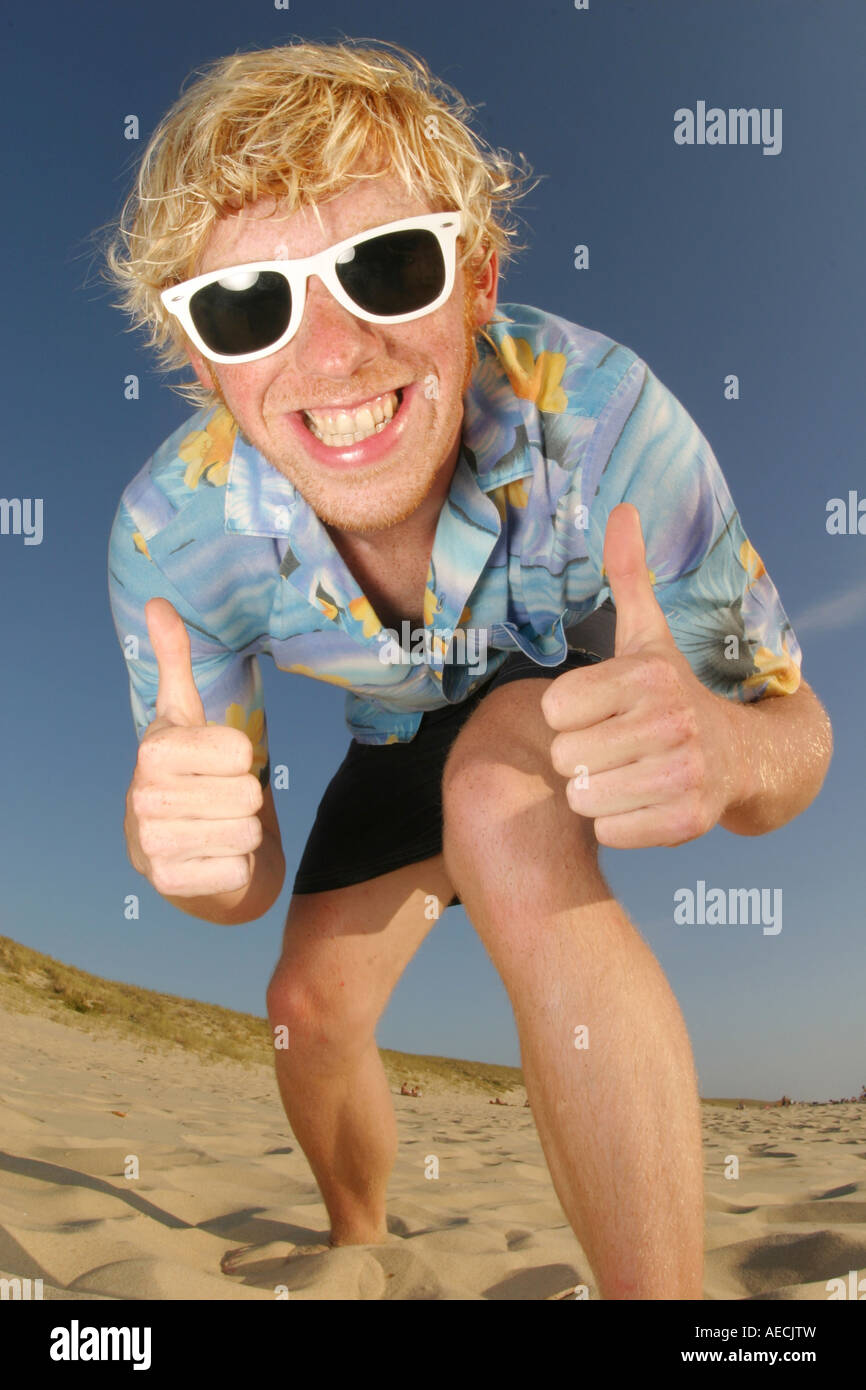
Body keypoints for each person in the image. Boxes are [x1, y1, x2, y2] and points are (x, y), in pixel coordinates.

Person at [103, 39, 832, 1299]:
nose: (331, 356)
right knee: (307, 1006)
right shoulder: (174, 537)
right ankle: (361, 1238)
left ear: (477, 278)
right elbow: (244, 877)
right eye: (247, 304)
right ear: (195, 355)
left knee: (499, 796)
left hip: (559, 695)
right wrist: (182, 857)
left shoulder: (604, 418)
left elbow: (791, 748)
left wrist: (724, 748)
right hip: (392, 740)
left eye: (388, 269)